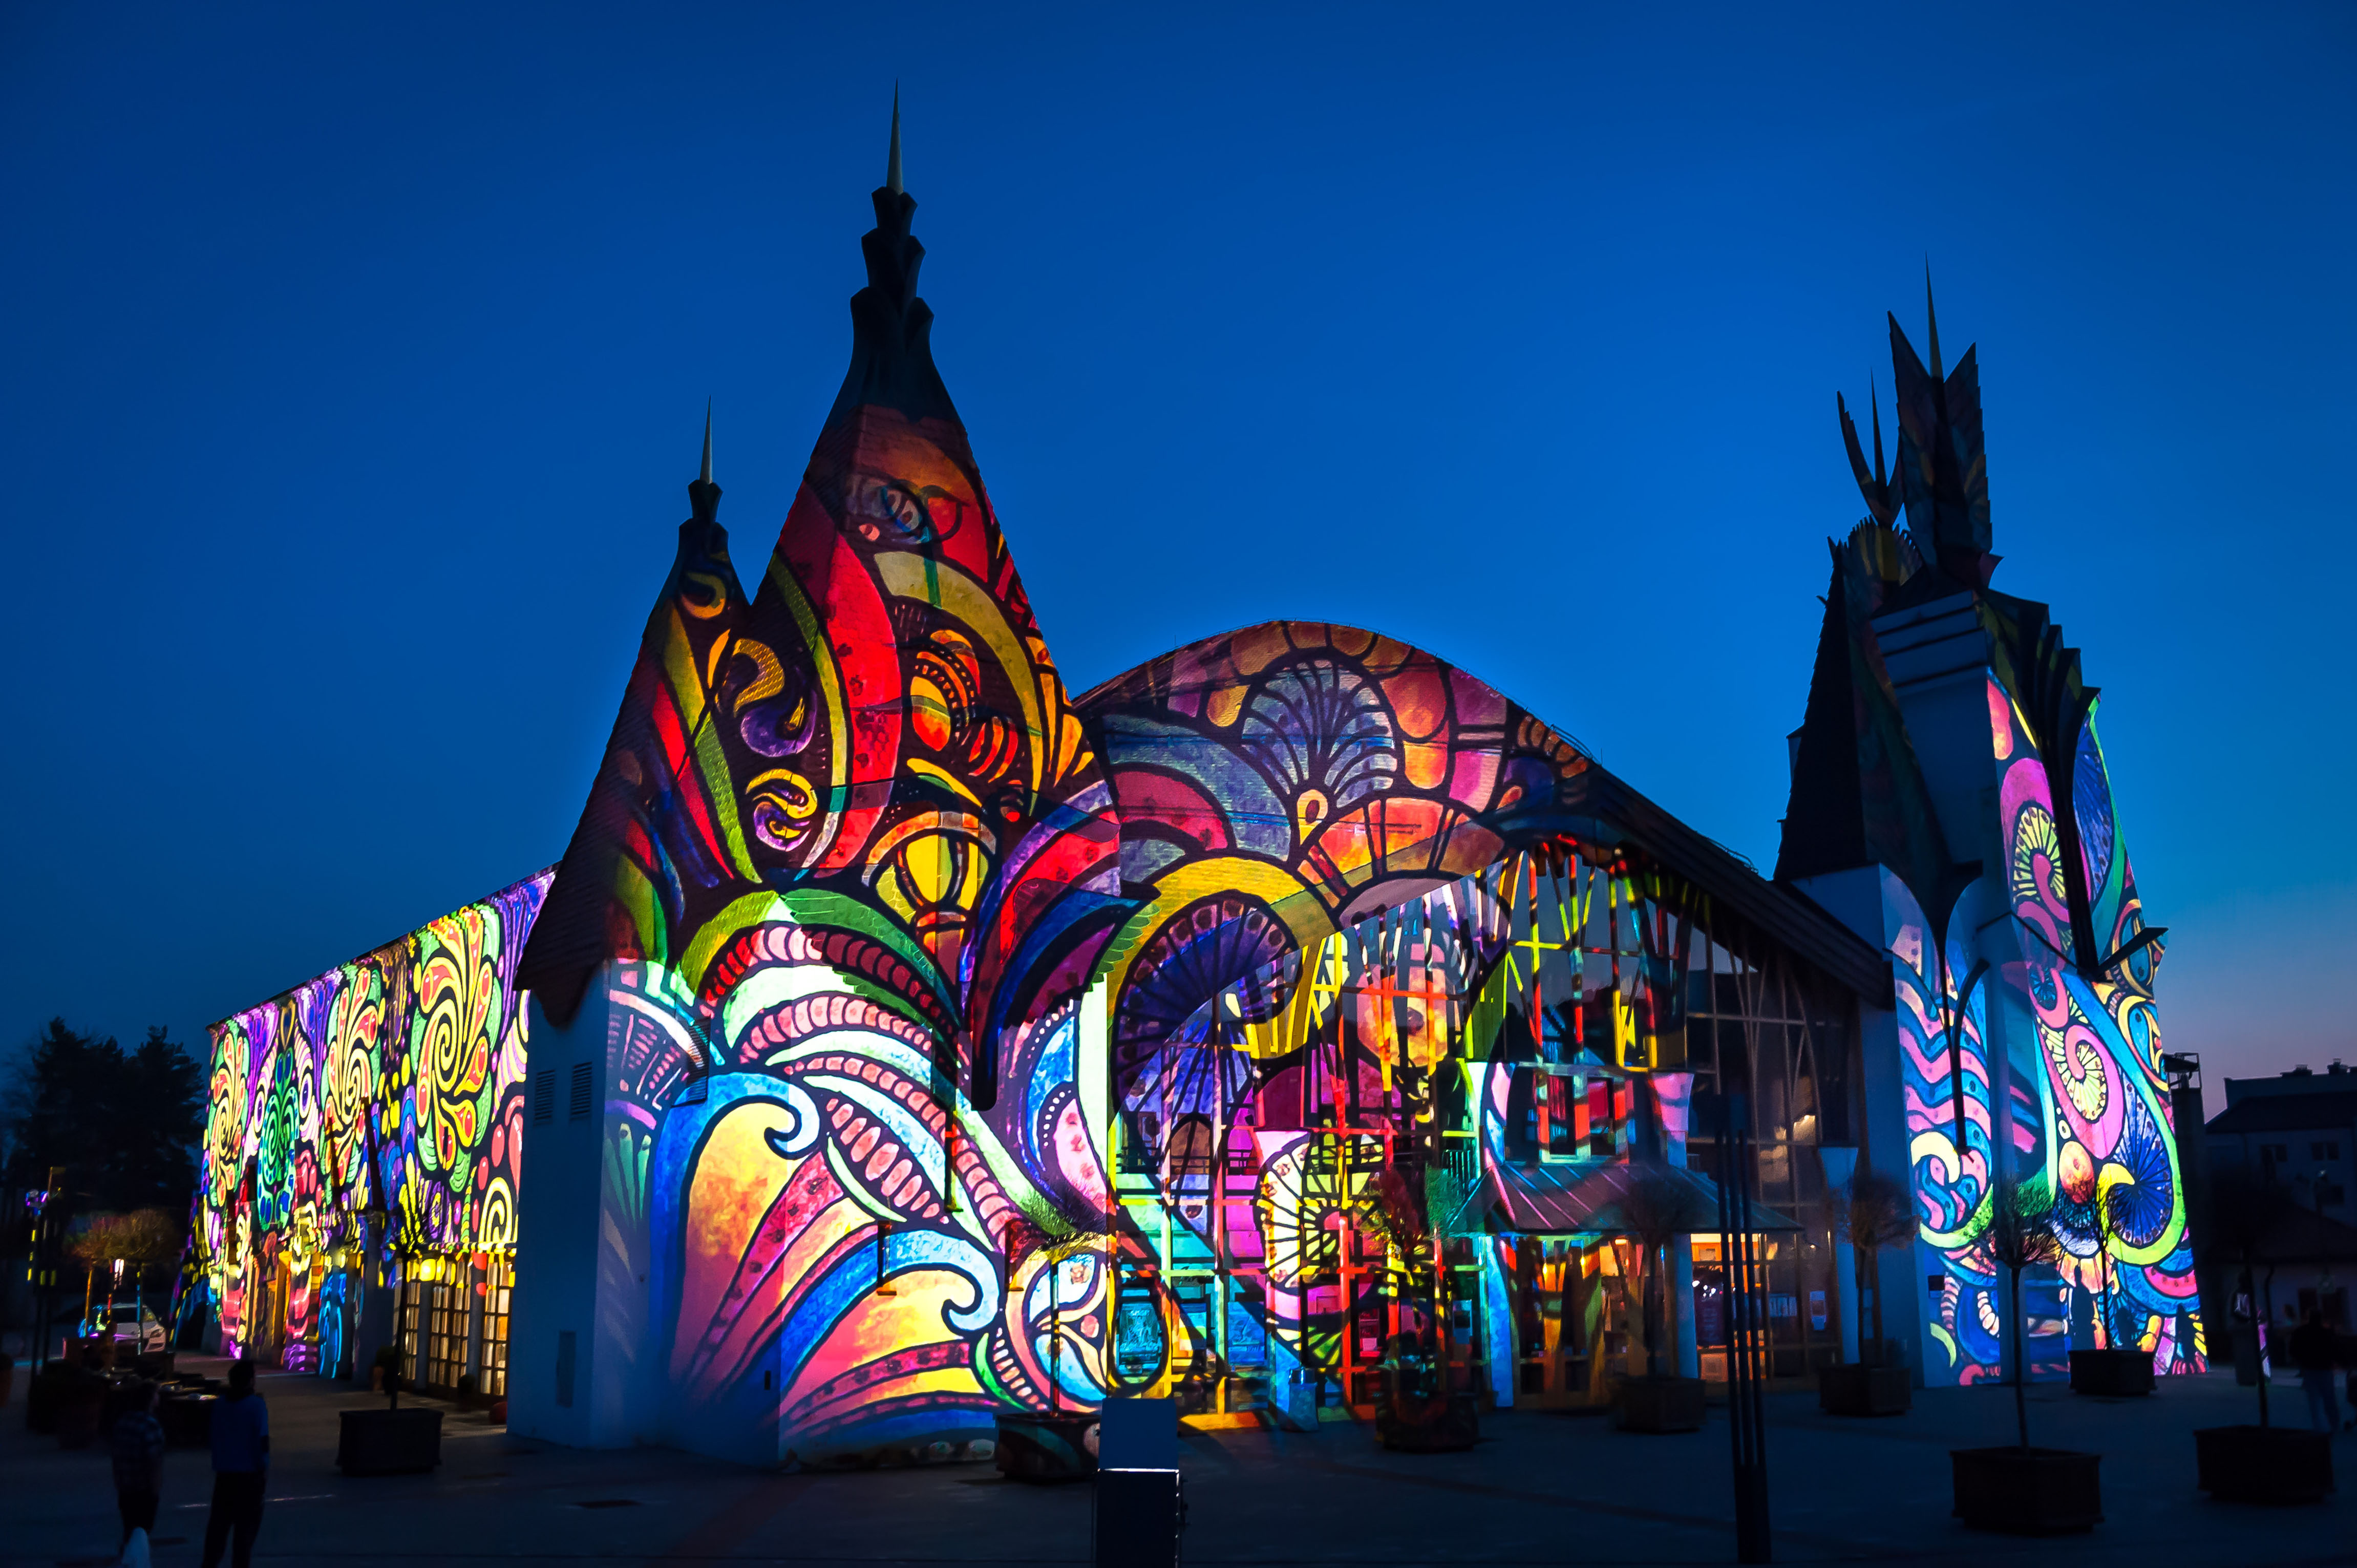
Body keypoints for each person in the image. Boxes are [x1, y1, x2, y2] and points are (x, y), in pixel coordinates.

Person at [200, 1358, 269, 1568]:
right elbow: (262, 1442)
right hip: (248, 1478)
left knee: (217, 1534)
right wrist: (262, 1469)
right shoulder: (256, 1406)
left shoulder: (220, 1404)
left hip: (225, 1476)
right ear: (250, 1381)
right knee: (244, 1538)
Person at [109, 1379, 166, 1553]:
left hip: (126, 1487)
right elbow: (154, 1463)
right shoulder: (150, 1425)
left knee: (130, 1528)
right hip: (143, 1489)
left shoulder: (123, 1423)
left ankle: (128, 1558)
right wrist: (155, 1490)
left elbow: (116, 1457)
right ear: (150, 1399)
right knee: (142, 1532)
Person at [2287, 1307, 2341, 1435]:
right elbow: (2335, 1350)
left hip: (2309, 1368)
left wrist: (2301, 1361)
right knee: (2329, 1398)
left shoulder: (2301, 1332)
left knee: (2314, 1399)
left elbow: (2293, 1349)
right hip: (2325, 1369)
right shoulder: (2327, 1333)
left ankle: (2319, 1427)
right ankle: (2334, 1425)